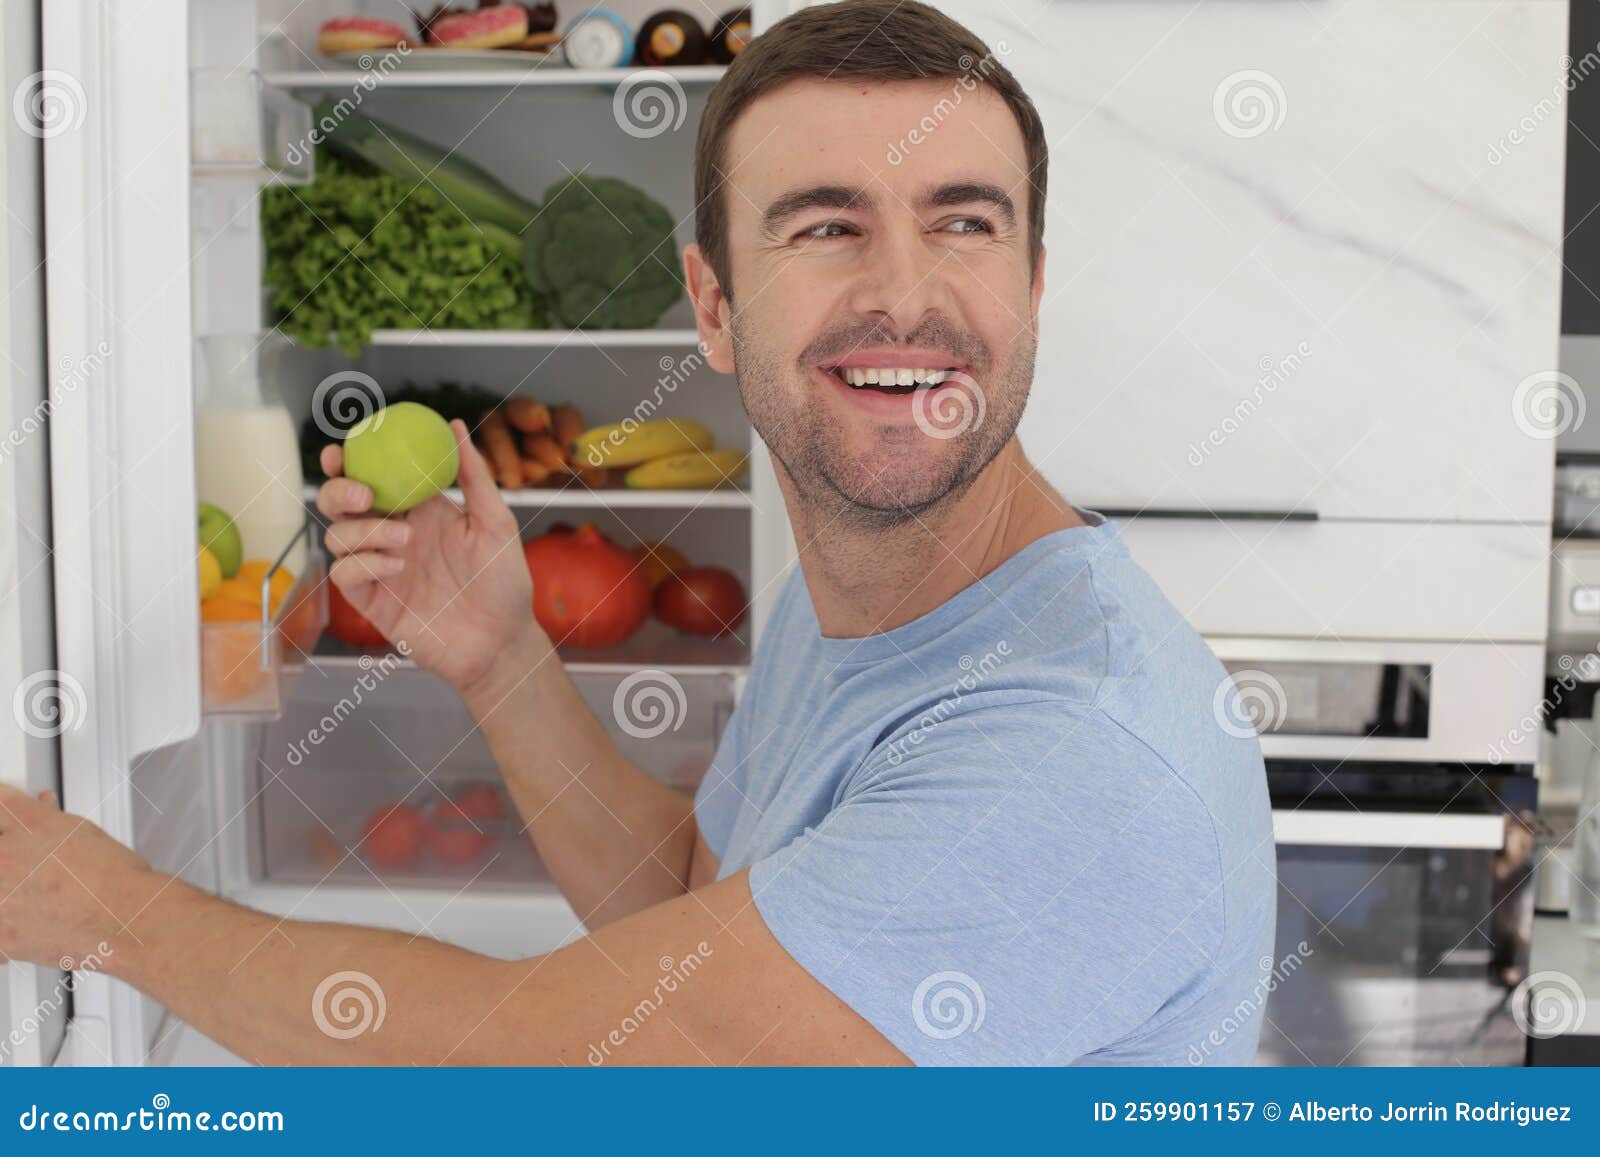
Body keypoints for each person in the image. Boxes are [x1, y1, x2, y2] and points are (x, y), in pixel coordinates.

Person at [0, 0, 1274, 1065]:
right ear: (713, 309)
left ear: (1031, 284)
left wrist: (103, 905)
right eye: (826, 223)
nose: (902, 288)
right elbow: (689, 906)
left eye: (963, 221)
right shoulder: (861, 592)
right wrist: (502, 658)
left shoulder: (1069, 753)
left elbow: (556, 1064)